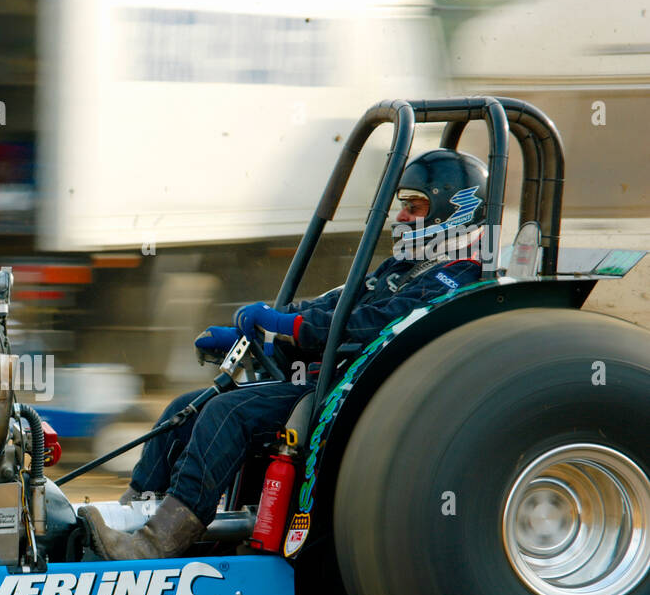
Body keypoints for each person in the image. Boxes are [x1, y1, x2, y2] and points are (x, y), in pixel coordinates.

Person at [80, 148, 489, 559]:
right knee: (186, 407)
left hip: (361, 399)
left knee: (228, 414)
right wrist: (270, 323)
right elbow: (336, 305)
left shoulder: (458, 278)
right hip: (327, 383)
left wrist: (287, 326)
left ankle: (158, 543)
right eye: (401, 206)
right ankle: (129, 521)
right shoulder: (400, 268)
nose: (401, 218)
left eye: (414, 206)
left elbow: (370, 324)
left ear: (453, 209)